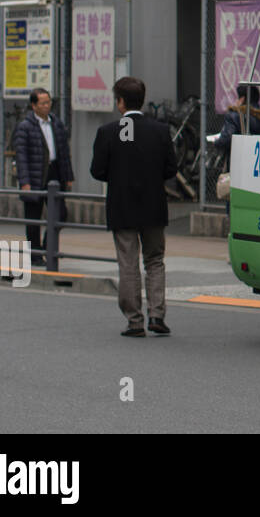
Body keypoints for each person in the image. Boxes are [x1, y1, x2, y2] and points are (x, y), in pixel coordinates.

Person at [90, 77, 177, 338]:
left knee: (128, 262)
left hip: (122, 205)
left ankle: (134, 320)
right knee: (155, 260)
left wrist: (119, 176)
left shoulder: (107, 132)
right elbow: (171, 169)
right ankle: (157, 315)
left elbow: (97, 171)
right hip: (153, 205)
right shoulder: (160, 131)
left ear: (120, 102)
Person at [13, 88, 75, 266]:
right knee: (33, 216)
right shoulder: (25, 126)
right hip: (34, 174)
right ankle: (35, 254)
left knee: (60, 213)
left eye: (49, 102)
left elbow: (64, 152)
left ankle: (48, 246)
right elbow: (21, 156)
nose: (47, 106)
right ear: (34, 106)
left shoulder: (56, 123)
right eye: (43, 103)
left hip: (54, 171)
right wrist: (24, 181)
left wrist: (68, 175)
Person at [213, 84, 260, 153]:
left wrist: (216, 143)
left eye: (238, 98)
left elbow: (227, 139)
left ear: (242, 99)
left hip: (240, 158)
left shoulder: (234, 116)